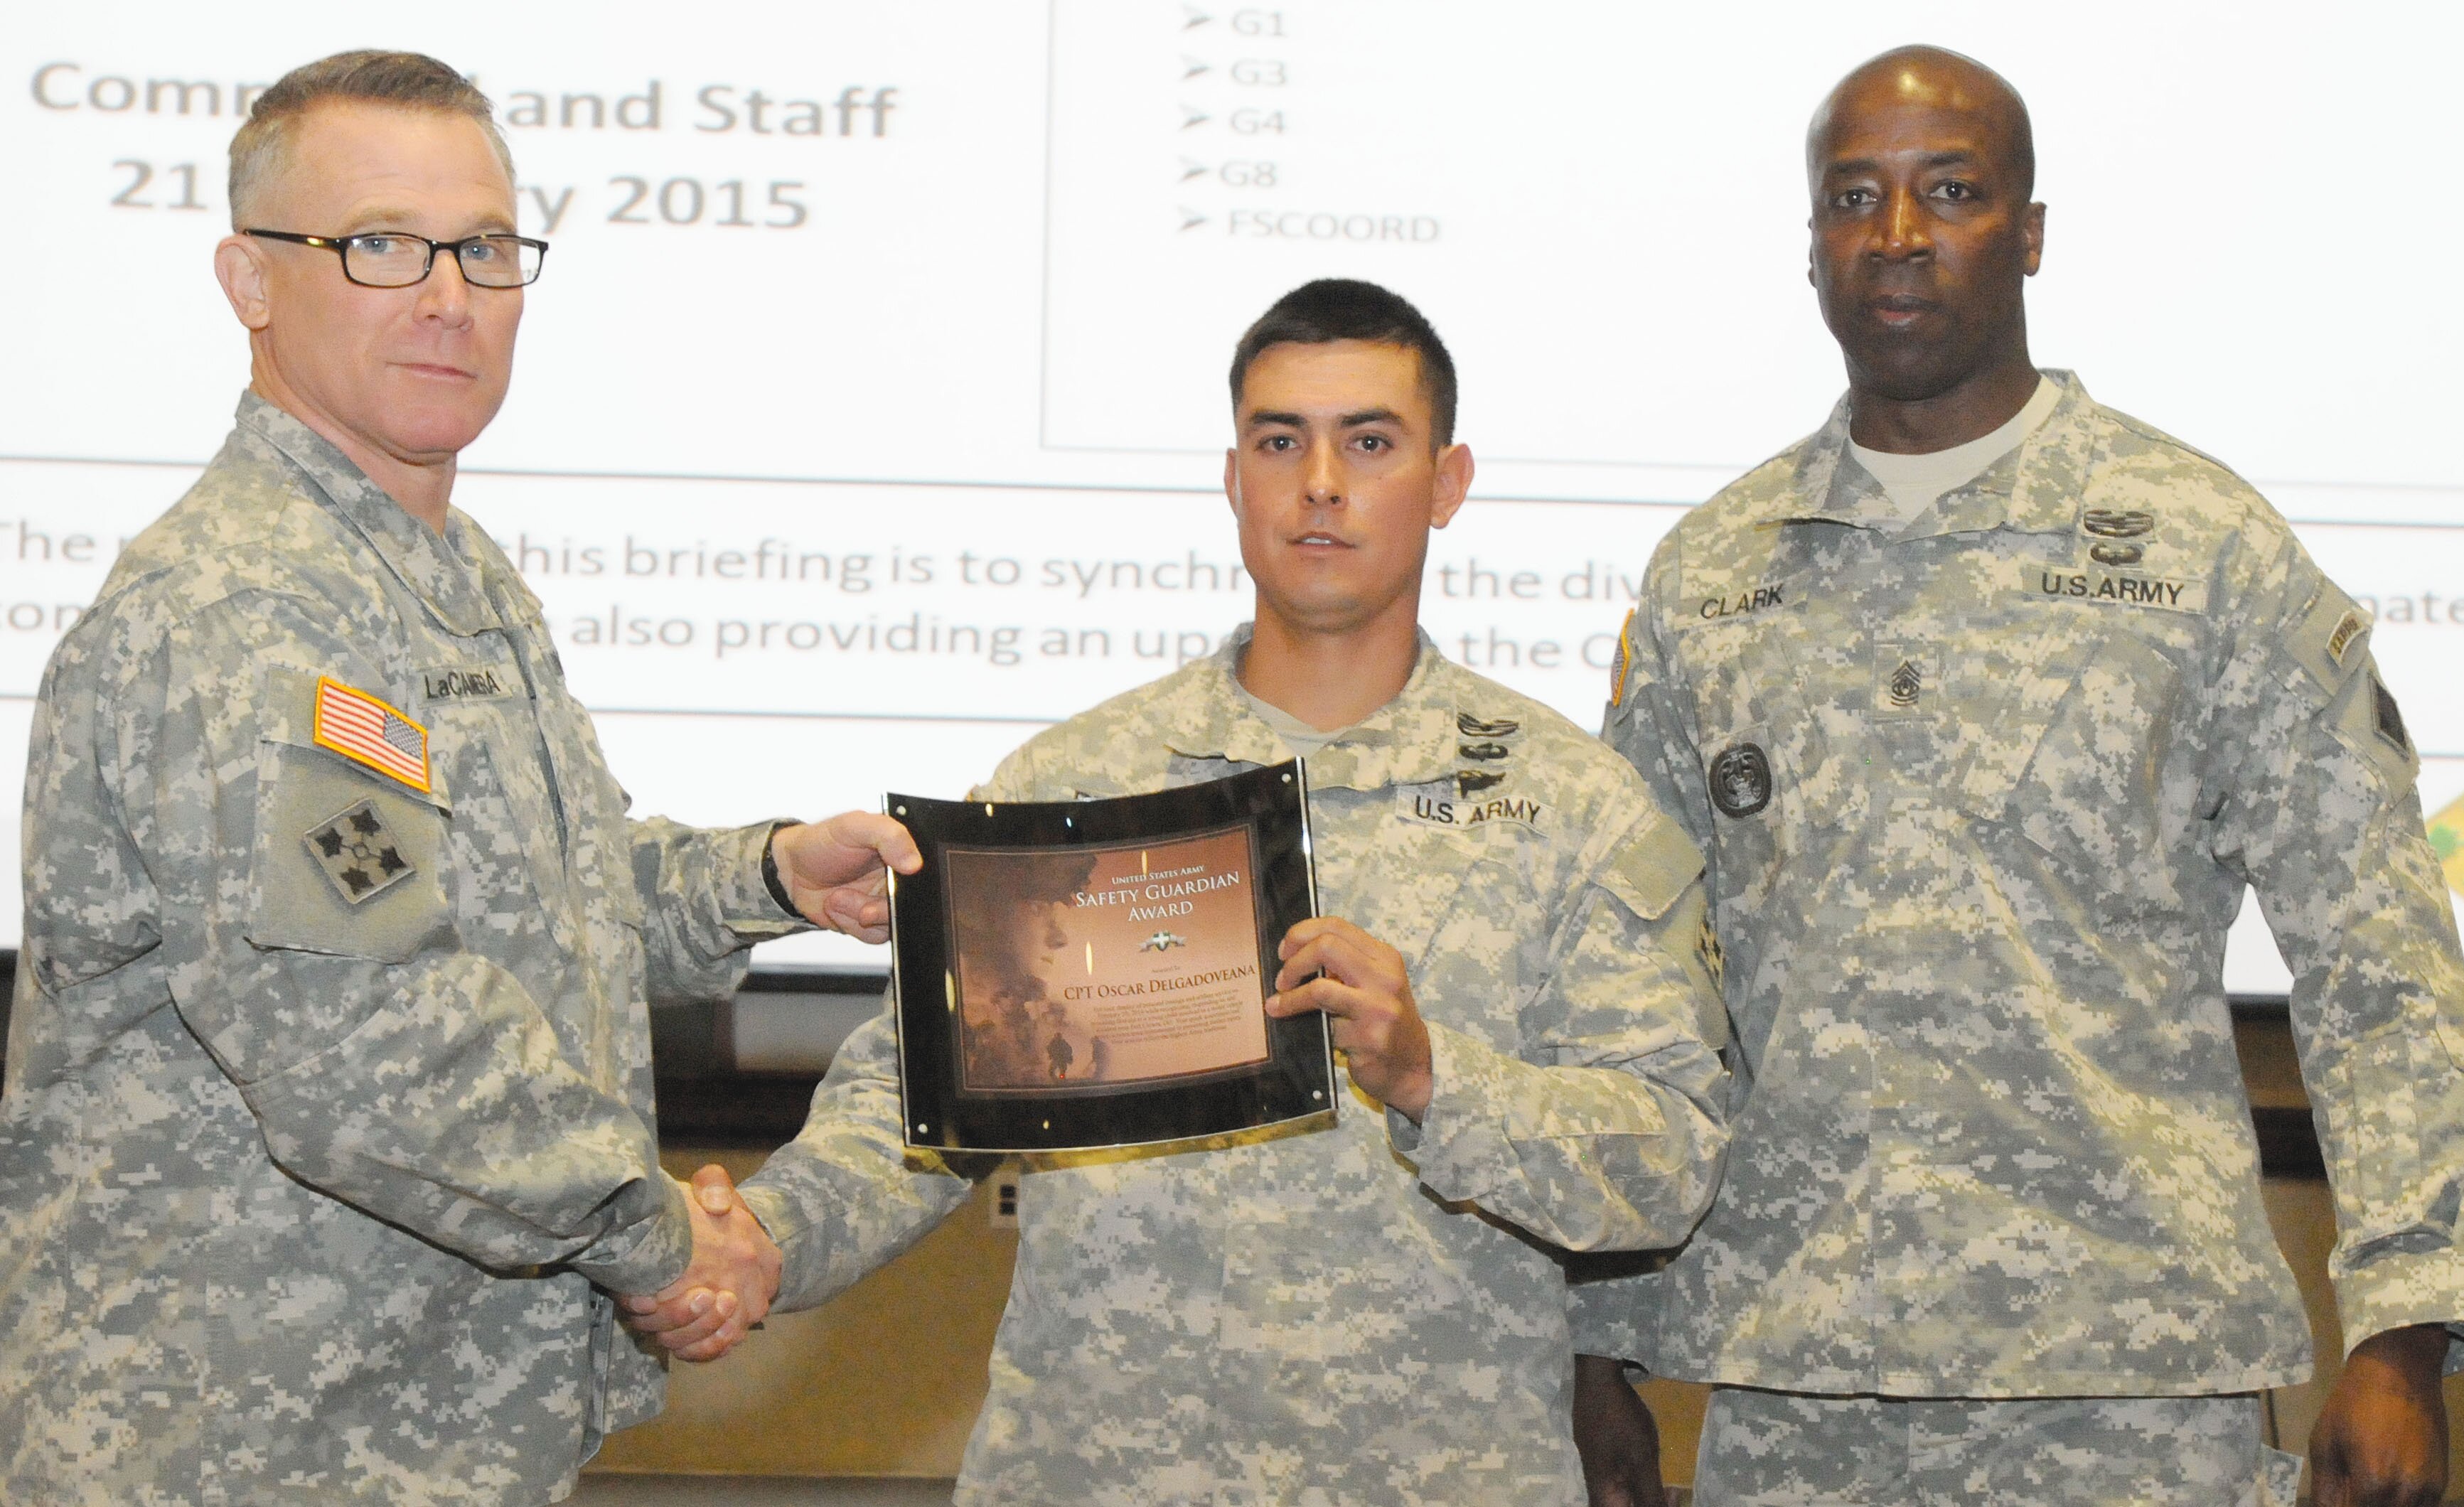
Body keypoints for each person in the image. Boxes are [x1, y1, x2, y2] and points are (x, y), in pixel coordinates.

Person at [1573, 43, 2464, 1507]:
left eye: (1949, 192)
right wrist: (1596, 1349)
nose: (1896, 237)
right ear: (1808, 245)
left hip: (2132, 1385)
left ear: (2031, 232)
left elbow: (2374, 951)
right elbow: (1633, 994)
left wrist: (2400, 1327)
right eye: (1853, 198)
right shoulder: (1711, 578)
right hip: (1791, 1382)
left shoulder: (2201, 550)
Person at [639, 278, 1733, 1503]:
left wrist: (1435, 1077)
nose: (1320, 481)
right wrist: (767, 1243)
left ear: (1447, 482)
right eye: (1281, 441)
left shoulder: (1571, 806)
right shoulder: (1079, 785)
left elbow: (1672, 1157)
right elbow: (917, 1103)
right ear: (1234, 479)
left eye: (1369, 441)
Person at [0, 50, 913, 1505]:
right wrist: (667, 1243)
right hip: (242, 1447)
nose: (448, 297)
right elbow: (368, 1037)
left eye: (485, 248)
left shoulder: (445, 574)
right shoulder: (244, 610)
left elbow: (537, 887)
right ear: (248, 280)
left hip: (425, 1435)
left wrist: (765, 874)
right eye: (381, 245)